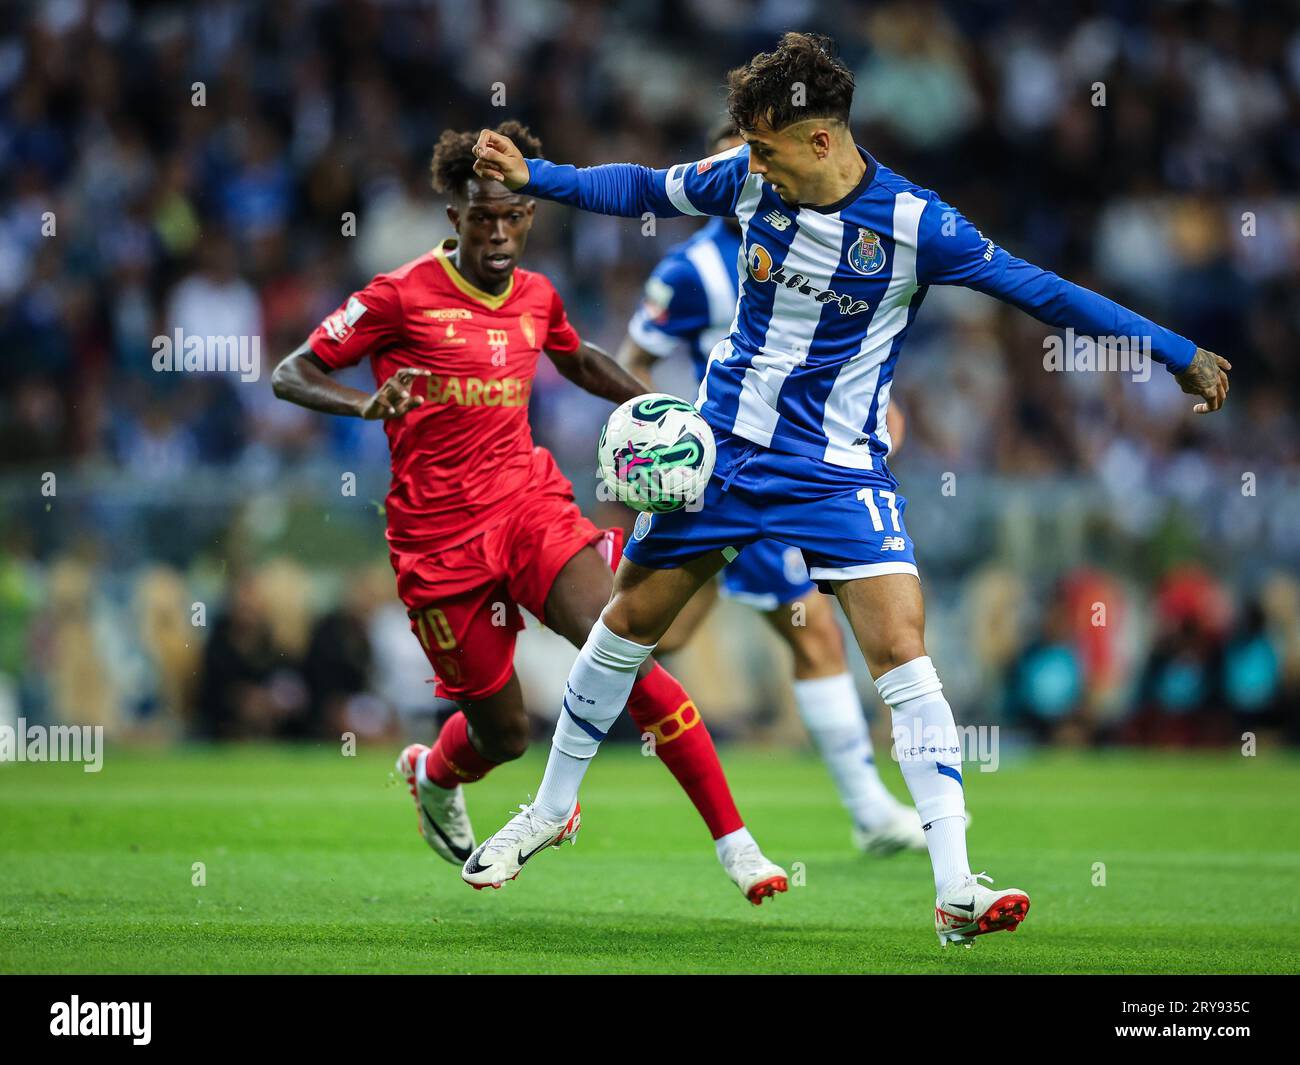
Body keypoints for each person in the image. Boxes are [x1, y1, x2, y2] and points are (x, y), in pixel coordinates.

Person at [463, 34, 1232, 944]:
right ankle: (551, 807)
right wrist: (538, 175)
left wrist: (1174, 352)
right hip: (726, 453)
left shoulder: (917, 225)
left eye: (766, 147)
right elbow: (640, 187)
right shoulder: (744, 180)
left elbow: (1046, 293)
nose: (749, 162)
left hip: (838, 468)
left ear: (822, 140)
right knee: (628, 624)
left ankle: (955, 885)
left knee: (902, 648)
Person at [270, 121, 788, 905]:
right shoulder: (399, 295)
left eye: (516, 216)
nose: (502, 232)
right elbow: (292, 370)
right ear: (456, 217)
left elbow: (576, 357)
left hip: (528, 507)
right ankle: (433, 773)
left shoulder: (538, 295)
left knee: (620, 645)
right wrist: (364, 402)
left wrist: (660, 403)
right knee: (502, 734)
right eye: (485, 217)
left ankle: (737, 845)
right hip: (436, 540)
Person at [619, 118, 923, 855]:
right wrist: (655, 450)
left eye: (755, 157)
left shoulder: (817, 238)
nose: (744, 171)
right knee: (805, 633)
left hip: (789, 472)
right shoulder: (694, 270)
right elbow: (632, 358)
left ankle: (558, 717)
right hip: (723, 470)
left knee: (658, 631)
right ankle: (870, 810)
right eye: (730, 159)